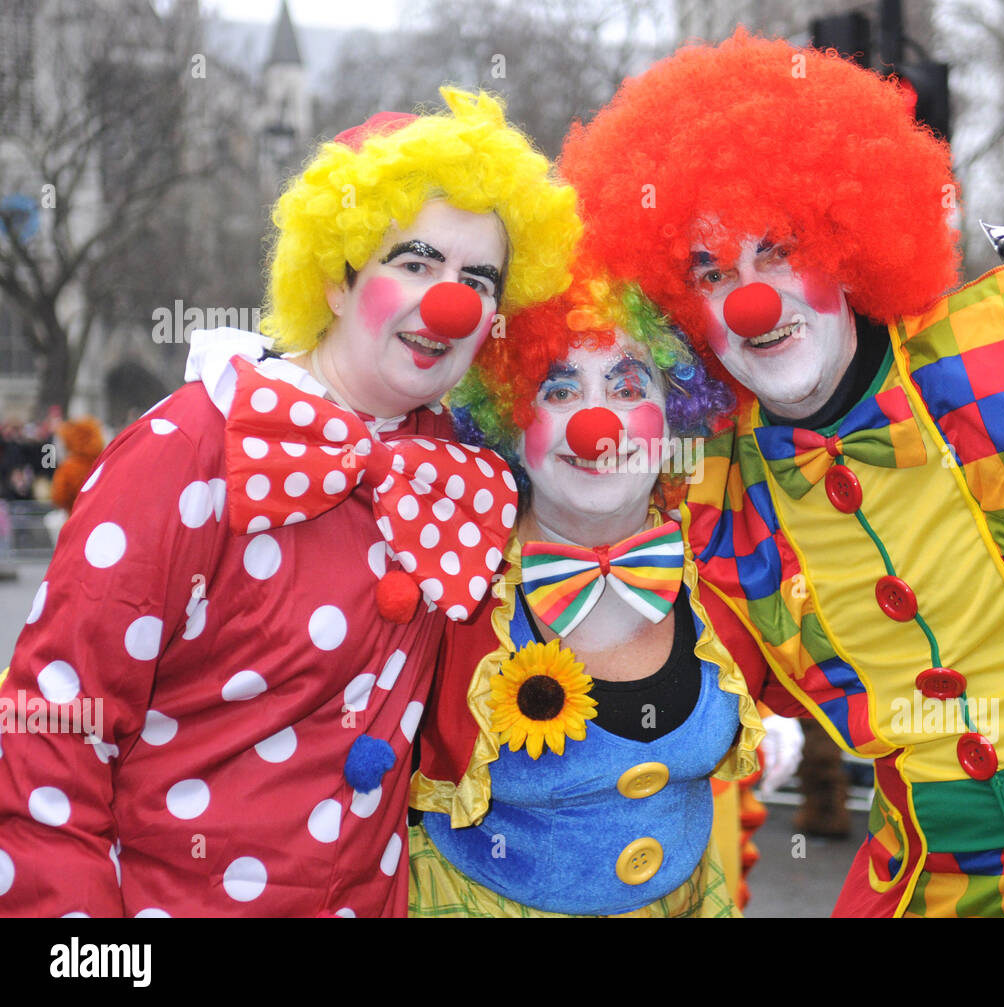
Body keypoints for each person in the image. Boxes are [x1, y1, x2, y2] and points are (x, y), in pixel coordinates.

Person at [559, 31, 1004, 917]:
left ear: (845, 238)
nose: (750, 300)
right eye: (708, 272)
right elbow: (667, 691)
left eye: (778, 249)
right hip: (934, 879)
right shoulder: (711, 488)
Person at [0, 89, 581, 917]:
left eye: (478, 279)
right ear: (338, 281)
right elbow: (54, 729)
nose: (449, 301)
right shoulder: (193, 446)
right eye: (414, 262)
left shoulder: (462, 475)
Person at [406, 261, 802, 916]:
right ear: (506, 416)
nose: (600, 425)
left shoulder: (723, 569)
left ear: (675, 407)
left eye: (627, 386)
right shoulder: (447, 580)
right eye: (558, 393)